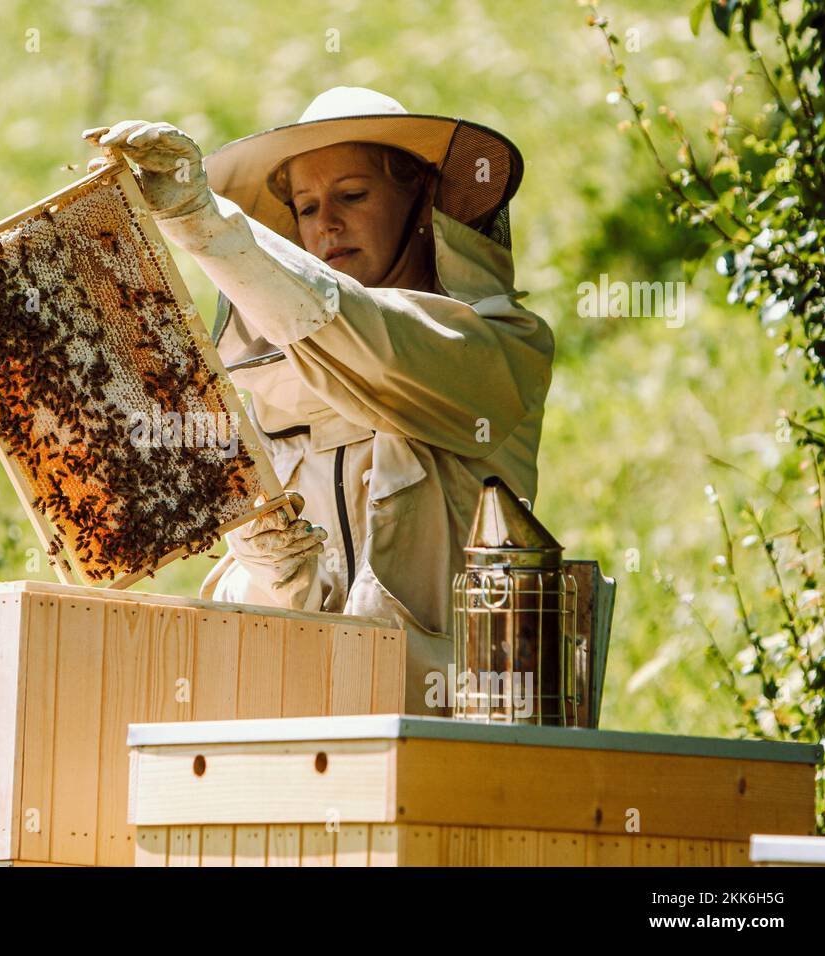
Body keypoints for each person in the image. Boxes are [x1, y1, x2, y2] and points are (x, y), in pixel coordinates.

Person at [84, 87, 554, 714]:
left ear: (422, 205)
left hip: (454, 731)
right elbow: (259, 627)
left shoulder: (493, 351)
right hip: (301, 730)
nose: (326, 223)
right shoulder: (271, 395)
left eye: (353, 195)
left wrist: (205, 222)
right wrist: (276, 576)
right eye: (306, 207)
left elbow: (369, 340)